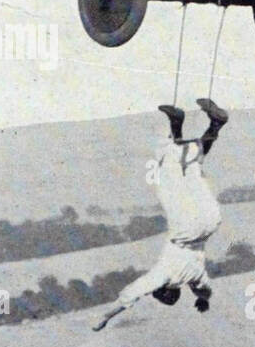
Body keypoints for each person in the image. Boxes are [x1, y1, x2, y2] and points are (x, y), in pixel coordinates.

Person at [92, 98, 229, 332]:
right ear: (164, 288)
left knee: (191, 167)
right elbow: (132, 294)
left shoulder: (194, 276)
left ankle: (210, 124)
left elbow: (205, 290)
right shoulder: (164, 275)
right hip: (187, 227)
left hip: (210, 220)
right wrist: (104, 317)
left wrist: (203, 300)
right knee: (169, 168)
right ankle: (182, 123)